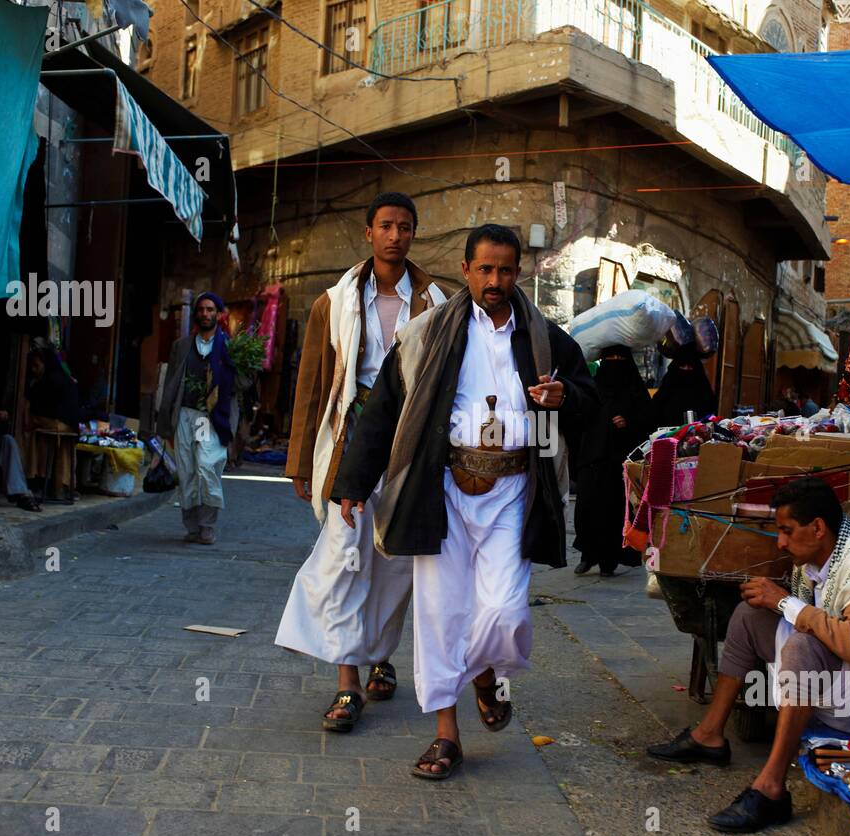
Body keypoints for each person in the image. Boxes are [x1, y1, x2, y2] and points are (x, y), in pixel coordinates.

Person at [332, 223, 596, 780]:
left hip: (512, 492)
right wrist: (354, 482)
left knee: (504, 612)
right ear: (466, 269)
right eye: (485, 269)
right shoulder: (429, 333)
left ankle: (482, 675)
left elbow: (590, 397)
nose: (495, 280)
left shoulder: (545, 337)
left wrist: (564, 395)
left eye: (504, 270)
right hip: (445, 488)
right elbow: (385, 408)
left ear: (518, 272)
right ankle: (446, 736)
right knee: (440, 614)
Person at [646, 476, 850, 833]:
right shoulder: (820, 558)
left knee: (802, 646)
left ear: (818, 528)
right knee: (751, 612)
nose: (781, 542)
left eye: (787, 531)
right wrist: (780, 602)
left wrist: (786, 602)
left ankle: (771, 787)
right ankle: (710, 734)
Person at [275, 191, 447, 731]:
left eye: (405, 227)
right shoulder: (335, 301)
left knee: (394, 566)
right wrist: (301, 462)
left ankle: (381, 656)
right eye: (386, 226)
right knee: (343, 556)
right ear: (369, 233)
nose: (396, 235)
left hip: (408, 446)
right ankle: (346, 684)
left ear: (414, 234)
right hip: (350, 443)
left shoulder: (437, 302)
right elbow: (311, 387)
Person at [157, 292, 239, 544]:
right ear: (197, 314)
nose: (205, 313)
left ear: (218, 314)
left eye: (210, 309)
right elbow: (170, 382)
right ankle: (192, 527)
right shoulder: (181, 346)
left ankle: (207, 525)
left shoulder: (228, 346)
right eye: (201, 309)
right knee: (187, 471)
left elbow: (242, 383)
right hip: (184, 414)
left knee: (206, 466)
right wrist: (165, 420)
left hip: (210, 417)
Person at [573, 344, 651, 576]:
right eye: (610, 357)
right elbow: (579, 418)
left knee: (614, 511)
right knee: (586, 508)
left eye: (620, 357)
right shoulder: (592, 387)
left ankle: (609, 559)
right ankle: (588, 554)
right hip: (592, 457)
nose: (615, 362)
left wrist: (629, 422)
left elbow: (649, 420)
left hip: (620, 461)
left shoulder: (636, 391)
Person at [24, 341, 80, 504]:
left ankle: (33, 475)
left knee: (29, 430)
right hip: (70, 426)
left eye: (36, 365)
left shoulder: (48, 380)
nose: (34, 370)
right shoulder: (62, 376)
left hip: (58, 423)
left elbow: (37, 406)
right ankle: (58, 486)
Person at [650, 343, 716, 426]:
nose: (686, 370)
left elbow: (710, 414)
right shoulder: (668, 385)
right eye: (682, 366)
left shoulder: (703, 390)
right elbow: (655, 410)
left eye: (690, 366)